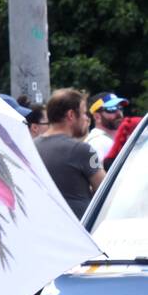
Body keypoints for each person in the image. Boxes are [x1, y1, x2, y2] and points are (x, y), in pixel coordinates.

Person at [35, 88, 105, 218]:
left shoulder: (32, 147)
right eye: (84, 113)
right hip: (80, 229)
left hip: (43, 225)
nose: (86, 119)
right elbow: (106, 190)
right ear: (71, 115)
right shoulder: (82, 150)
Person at [84, 92, 127, 160]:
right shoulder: (97, 143)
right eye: (111, 109)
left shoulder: (113, 139)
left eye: (120, 108)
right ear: (97, 117)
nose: (119, 113)